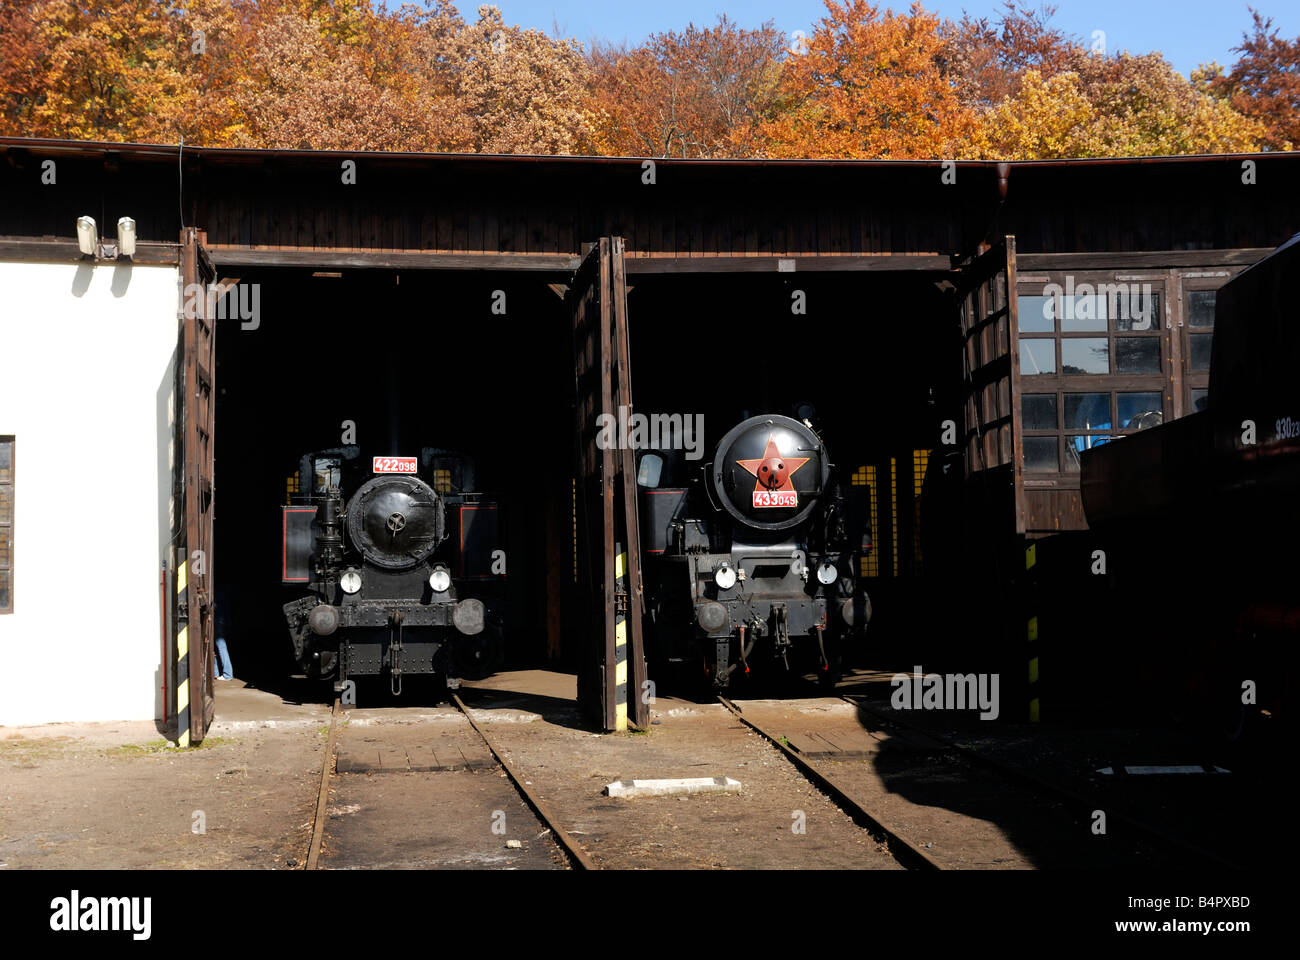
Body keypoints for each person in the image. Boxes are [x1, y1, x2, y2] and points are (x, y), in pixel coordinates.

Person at [213, 588, 234, 681]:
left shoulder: (215, 595)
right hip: (221, 622)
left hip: (216, 622)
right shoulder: (225, 596)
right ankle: (216, 673)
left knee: (220, 647)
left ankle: (227, 674)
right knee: (218, 648)